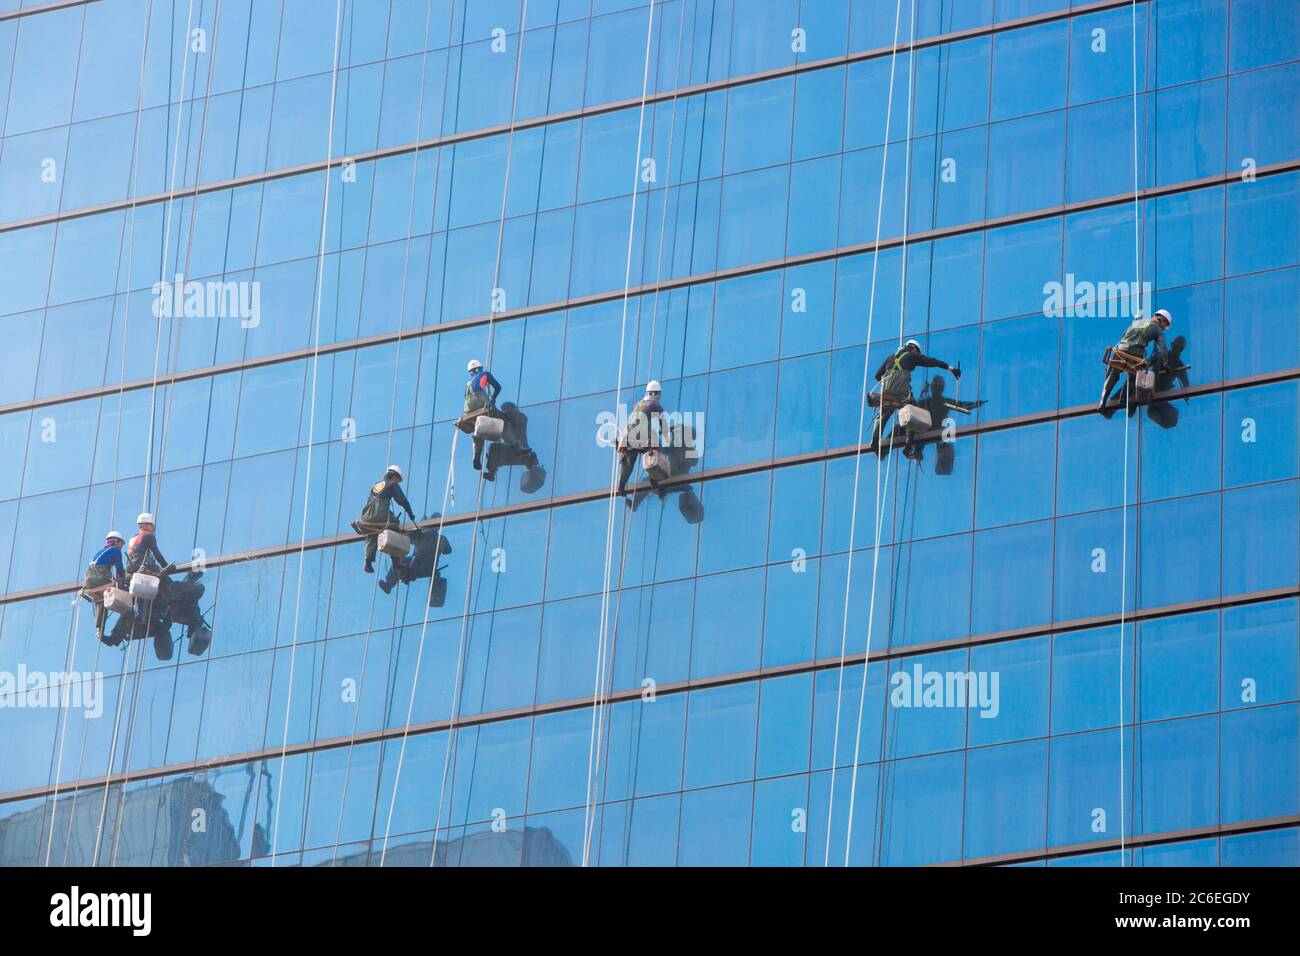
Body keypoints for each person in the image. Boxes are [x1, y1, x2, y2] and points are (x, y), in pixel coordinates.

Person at [871, 340, 960, 451]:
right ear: (913, 348)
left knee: (883, 416)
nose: (918, 355)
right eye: (917, 352)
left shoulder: (890, 357)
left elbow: (877, 375)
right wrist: (951, 369)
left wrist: (887, 383)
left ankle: (874, 441)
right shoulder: (911, 355)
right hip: (901, 393)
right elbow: (932, 362)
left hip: (886, 393)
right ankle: (909, 439)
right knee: (913, 407)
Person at [1098, 309, 1172, 415]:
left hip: (1120, 350)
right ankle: (1123, 398)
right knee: (1138, 374)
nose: (1164, 328)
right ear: (1161, 319)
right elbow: (1163, 348)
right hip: (1136, 354)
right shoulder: (1157, 329)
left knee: (1111, 376)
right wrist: (1165, 363)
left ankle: (1102, 402)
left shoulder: (1137, 322)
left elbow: (1124, 334)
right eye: (1165, 325)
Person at [356, 465, 417, 574]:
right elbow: (402, 500)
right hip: (379, 513)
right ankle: (396, 562)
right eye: (398, 480)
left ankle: (368, 562)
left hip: (366, 515)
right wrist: (410, 513)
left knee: (372, 532)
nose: (398, 482)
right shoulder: (392, 484)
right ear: (394, 476)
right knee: (394, 525)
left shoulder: (376, 484)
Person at [617, 380, 667, 497]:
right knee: (654, 452)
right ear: (655, 394)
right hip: (641, 436)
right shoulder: (655, 405)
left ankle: (621, 487)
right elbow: (663, 425)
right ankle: (654, 482)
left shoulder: (638, 404)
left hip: (628, 437)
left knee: (628, 462)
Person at [379, 518, 453, 596]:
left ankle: (392, 583)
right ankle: (392, 583)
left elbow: (409, 536)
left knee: (407, 560)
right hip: (426, 567)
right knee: (404, 562)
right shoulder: (440, 538)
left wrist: (419, 526)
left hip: (422, 565)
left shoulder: (424, 536)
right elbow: (448, 551)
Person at [83, 531, 127, 637]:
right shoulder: (115, 550)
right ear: (116, 541)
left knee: (102, 601)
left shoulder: (100, 552)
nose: (121, 546)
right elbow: (119, 567)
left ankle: (100, 628)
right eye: (121, 543)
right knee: (121, 589)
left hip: (89, 579)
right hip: (100, 576)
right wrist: (122, 580)